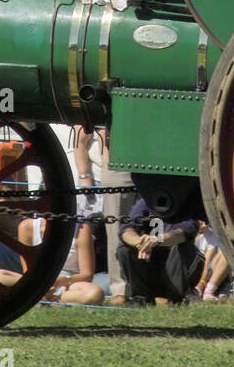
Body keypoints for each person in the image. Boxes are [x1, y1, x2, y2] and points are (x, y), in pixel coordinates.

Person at [74, 125, 134, 304]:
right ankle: (120, 290)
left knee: (155, 224)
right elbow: (79, 142)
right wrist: (85, 177)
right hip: (111, 169)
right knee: (116, 230)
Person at [116, 199, 200, 305]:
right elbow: (125, 230)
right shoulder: (145, 202)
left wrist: (157, 240)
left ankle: (178, 298)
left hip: (175, 269)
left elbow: (181, 234)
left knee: (181, 247)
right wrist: (140, 243)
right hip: (149, 265)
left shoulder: (186, 205)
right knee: (124, 248)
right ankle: (141, 298)